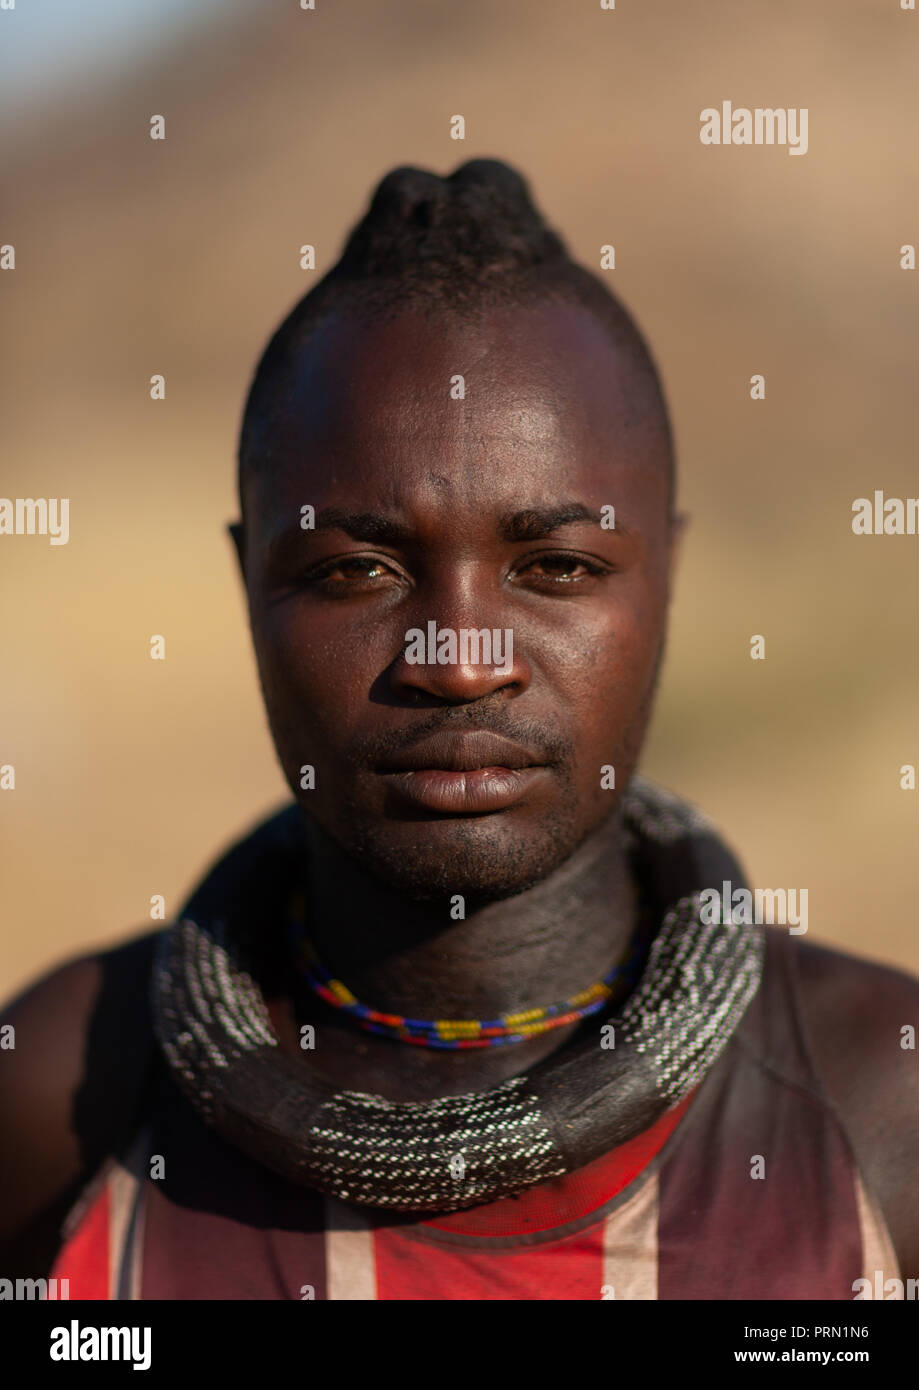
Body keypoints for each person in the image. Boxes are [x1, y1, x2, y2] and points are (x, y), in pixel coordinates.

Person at [2, 159, 917, 1301]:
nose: (462, 660)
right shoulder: (69, 1093)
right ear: (248, 586)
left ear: (665, 577)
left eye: (558, 566)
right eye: (357, 570)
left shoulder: (880, 1111)